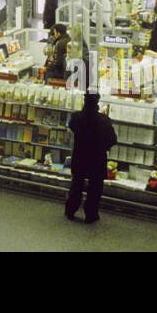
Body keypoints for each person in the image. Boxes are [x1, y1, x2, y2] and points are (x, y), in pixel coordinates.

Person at [65, 92, 118, 223]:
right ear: (97, 104)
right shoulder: (104, 120)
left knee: (77, 184)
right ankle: (91, 215)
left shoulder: (76, 117)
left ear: (84, 101)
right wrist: (104, 146)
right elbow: (112, 139)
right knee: (95, 189)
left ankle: (70, 211)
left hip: (80, 155)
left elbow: (72, 127)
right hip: (97, 158)